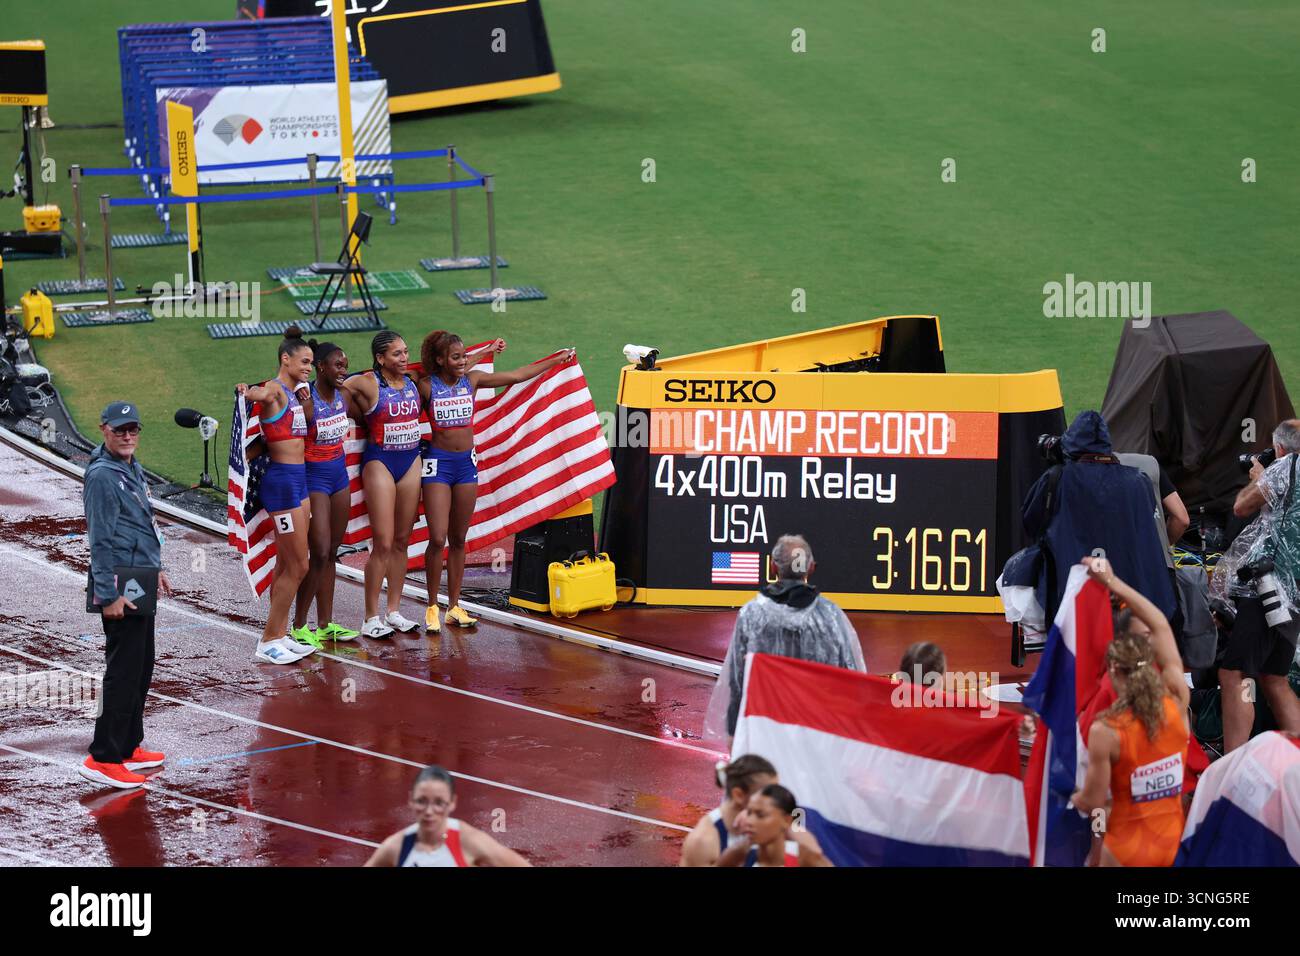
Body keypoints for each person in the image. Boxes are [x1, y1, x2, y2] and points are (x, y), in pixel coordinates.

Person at [415, 332, 575, 632]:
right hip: (438, 465)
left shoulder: (472, 380)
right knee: (437, 539)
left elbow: (515, 375)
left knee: (459, 539)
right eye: (455, 357)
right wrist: (483, 351)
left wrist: (555, 359)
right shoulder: (425, 386)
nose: (463, 361)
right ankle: (432, 606)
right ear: (439, 360)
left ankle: (454, 606)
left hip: (466, 466)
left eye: (465, 356)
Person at [80, 400, 173, 789]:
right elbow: (100, 540)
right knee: (122, 671)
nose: (128, 435)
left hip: (140, 574)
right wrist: (108, 595)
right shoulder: (103, 476)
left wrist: (157, 568)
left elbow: (142, 521)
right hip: (119, 581)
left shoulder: (128, 466)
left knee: (141, 665)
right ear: (104, 430)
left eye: (133, 429)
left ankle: (129, 746)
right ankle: (102, 756)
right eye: (120, 430)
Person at [1020, 411, 1176, 625]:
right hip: (1132, 600)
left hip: (1072, 601)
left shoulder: (1057, 478)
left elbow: (1031, 523)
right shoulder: (1139, 481)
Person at [704, 534, 866, 741]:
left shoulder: (751, 615)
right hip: (819, 733)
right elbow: (851, 678)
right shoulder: (831, 616)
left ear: (773, 567)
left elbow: (738, 679)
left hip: (765, 730)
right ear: (811, 568)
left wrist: (734, 732)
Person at [1211, 419, 1300, 751]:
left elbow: (1242, 505)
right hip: (1296, 595)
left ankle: (1236, 764)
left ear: (1280, 448)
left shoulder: (1287, 466)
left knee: (1236, 675)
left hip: (1268, 588)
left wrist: (1261, 476)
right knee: (1274, 678)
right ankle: (1294, 764)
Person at [1070, 630, 1189, 867]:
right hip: (1170, 841)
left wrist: (1068, 791)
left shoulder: (1105, 729)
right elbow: (1162, 626)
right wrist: (1118, 589)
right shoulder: (1177, 706)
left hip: (1125, 848)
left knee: (1102, 811)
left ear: (1113, 668)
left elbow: (1092, 802)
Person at [236, 328, 319, 665]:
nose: (309, 367)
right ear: (285, 359)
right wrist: (246, 390)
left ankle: (280, 633)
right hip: (281, 484)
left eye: (312, 363)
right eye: (304, 361)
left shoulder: (297, 394)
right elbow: (260, 392)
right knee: (300, 565)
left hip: (298, 481)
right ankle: (269, 638)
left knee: (288, 563)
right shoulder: (275, 391)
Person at [345, 331, 424, 638]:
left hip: (410, 461)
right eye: (397, 354)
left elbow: (451, 367)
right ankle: (370, 617)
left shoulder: (413, 380)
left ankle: (393, 611)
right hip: (380, 463)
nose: (404, 358)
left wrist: (485, 352)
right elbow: (333, 387)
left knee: (403, 540)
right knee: (384, 542)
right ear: (380, 358)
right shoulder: (367, 382)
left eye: (405, 352)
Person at [290, 339, 361, 646]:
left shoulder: (344, 397)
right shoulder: (307, 403)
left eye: (345, 365)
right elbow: (280, 435)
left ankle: (325, 624)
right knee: (317, 551)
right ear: (320, 367)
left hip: (339, 478)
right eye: (337, 365)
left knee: (332, 552)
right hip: (314, 480)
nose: (343, 370)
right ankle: (298, 624)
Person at [364, 765, 531, 867]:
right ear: (411, 801)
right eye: (422, 801)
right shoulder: (396, 848)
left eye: (439, 803)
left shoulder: (467, 841)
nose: (429, 811)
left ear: (452, 803)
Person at [679, 755, 777, 866]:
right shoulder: (703, 841)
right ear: (739, 795)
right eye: (768, 796)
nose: (776, 802)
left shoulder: (765, 823)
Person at [715, 784, 831, 867]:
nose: (750, 821)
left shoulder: (804, 857)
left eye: (761, 815)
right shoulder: (741, 852)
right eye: (749, 813)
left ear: (786, 821)